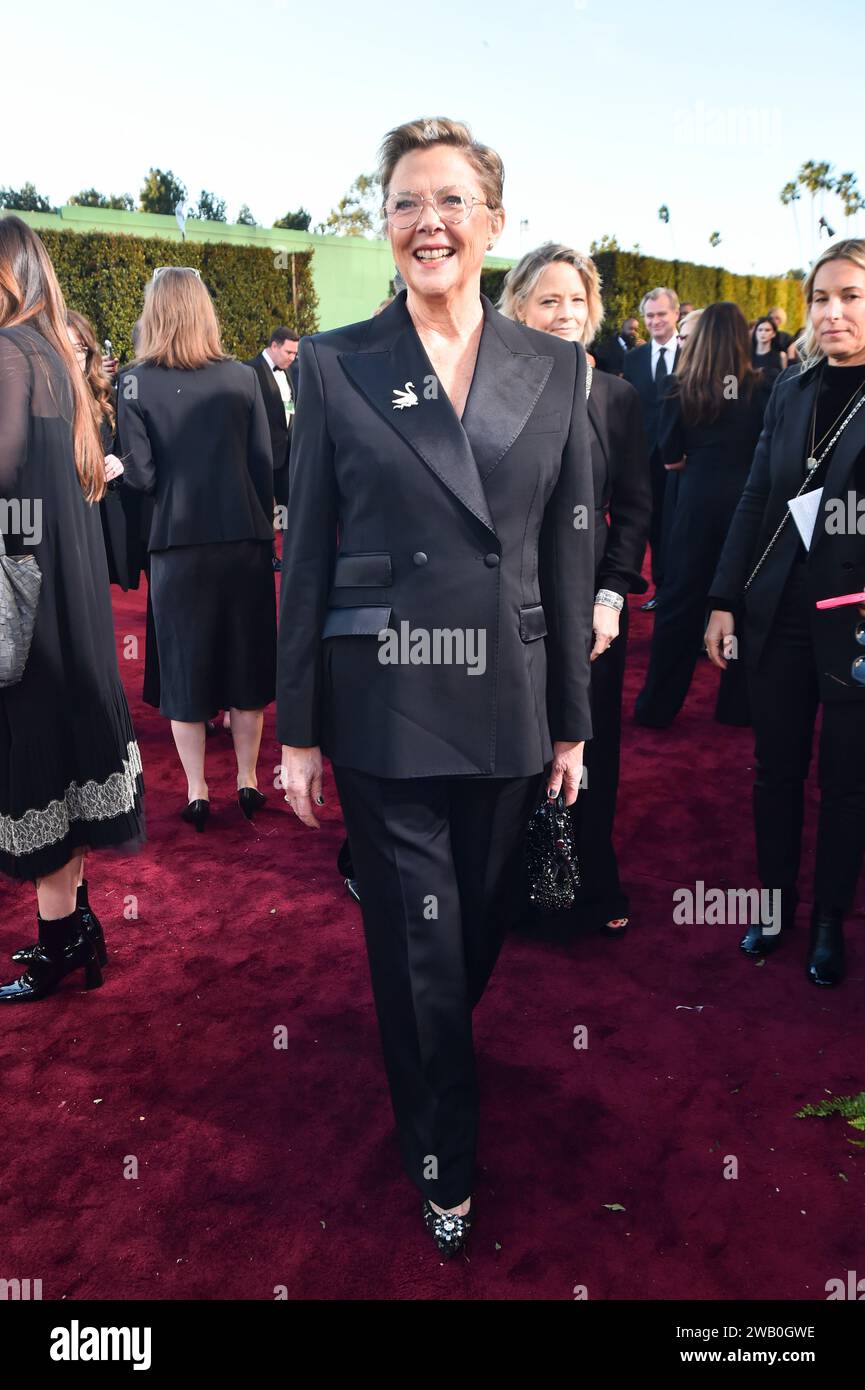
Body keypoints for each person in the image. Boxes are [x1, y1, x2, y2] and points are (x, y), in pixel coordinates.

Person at [277, 117, 595, 1255]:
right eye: (407, 200)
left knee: (472, 932)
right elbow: (305, 551)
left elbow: (567, 557)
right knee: (420, 943)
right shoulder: (333, 361)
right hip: (382, 701)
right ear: (385, 222)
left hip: (510, 699)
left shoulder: (557, 367)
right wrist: (299, 732)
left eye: (452, 200)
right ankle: (443, 1157)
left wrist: (572, 720)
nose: (429, 221)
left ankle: (423, 1056)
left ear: (492, 224)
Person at [706, 239, 865, 986]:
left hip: (857, 625)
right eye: (821, 299)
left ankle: (830, 919)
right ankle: (774, 907)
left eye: (850, 297)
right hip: (776, 617)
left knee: (845, 781)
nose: (832, 313)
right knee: (772, 774)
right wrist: (721, 599)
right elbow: (754, 499)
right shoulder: (790, 390)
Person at [0, 216, 144, 1003]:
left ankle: (63, 944)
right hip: (62, 590)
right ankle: (79, 928)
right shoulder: (54, 352)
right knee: (61, 756)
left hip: (28, 602)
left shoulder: (11, 352)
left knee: (38, 757)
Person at [499, 243, 650, 935]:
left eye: (575, 300)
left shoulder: (615, 396)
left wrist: (611, 596)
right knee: (515, 751)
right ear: (517, 307)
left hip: (590, 609)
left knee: (588, 751)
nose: (564, 313)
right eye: (547, 299)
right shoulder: (490, 388)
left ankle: (585, 887)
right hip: (508, 606)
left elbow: (636, 508)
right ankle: (513, 890)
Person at [118, 268, 276, 830]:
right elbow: (264, 465)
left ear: (152, 312)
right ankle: (250, 779)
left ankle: (195, 789)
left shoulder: (135, 382)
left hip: (178, 546)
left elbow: (140, 475)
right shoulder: (242, 377)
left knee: (186, 671)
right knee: (247, 661)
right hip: (245, 540)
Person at [634, 303, 772, 728]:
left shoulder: (680, 385)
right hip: (747, 504)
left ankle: (657, 707)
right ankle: (736, 707)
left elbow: (670, 458)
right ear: (739, 336)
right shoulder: (763, 386)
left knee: (679, 604)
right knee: (741, 602)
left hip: (694, 503)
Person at [66, 310, 148, 592]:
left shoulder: (105, 393)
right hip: (65, 510)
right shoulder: (45, 393)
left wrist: (119, 462)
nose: (74, 355)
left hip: (101, 508)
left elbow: (126, 447)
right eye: (66, 347)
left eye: (79, 348)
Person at [623, 287, 681, 608]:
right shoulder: (633, 359)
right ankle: (662, 588)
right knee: (654, 524)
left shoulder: (692, 354)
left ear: (675, 314)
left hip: (684, 460)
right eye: (650, 316)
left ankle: (681, 586)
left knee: (680, 525)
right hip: (644, 458)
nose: (656, 321)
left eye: (661, 314)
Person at [247, 327, 299, 572]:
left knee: (286, 508)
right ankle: (267, 555)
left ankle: (289, 553)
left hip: (288, 452)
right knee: (264, 507)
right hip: (263, 454)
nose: (292, 357)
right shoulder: (251, 370)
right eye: (288, 352)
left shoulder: (290, 372)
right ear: (274, 345)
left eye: (294, 353)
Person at [751, 315, 788, 382]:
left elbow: (784, 381)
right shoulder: (746, 355)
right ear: (756, 332)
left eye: (767, 330)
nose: (763, 333)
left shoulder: (781, 356)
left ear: (773, 334)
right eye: (760, 330)